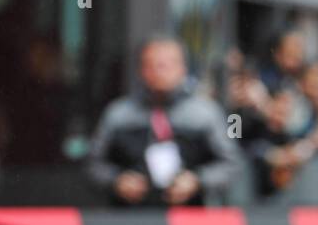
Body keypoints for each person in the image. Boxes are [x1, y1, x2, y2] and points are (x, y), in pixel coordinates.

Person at [86, 35, 240, 207]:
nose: (159, 72)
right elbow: (94, 164)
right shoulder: (119, 114)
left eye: (167, 65)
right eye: (151, 65)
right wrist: (117, 180)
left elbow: (231, 164)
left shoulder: (205, 113)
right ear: (140, 69)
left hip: (191, 216)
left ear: (183, 68)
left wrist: (197, 181)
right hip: (130, 218)